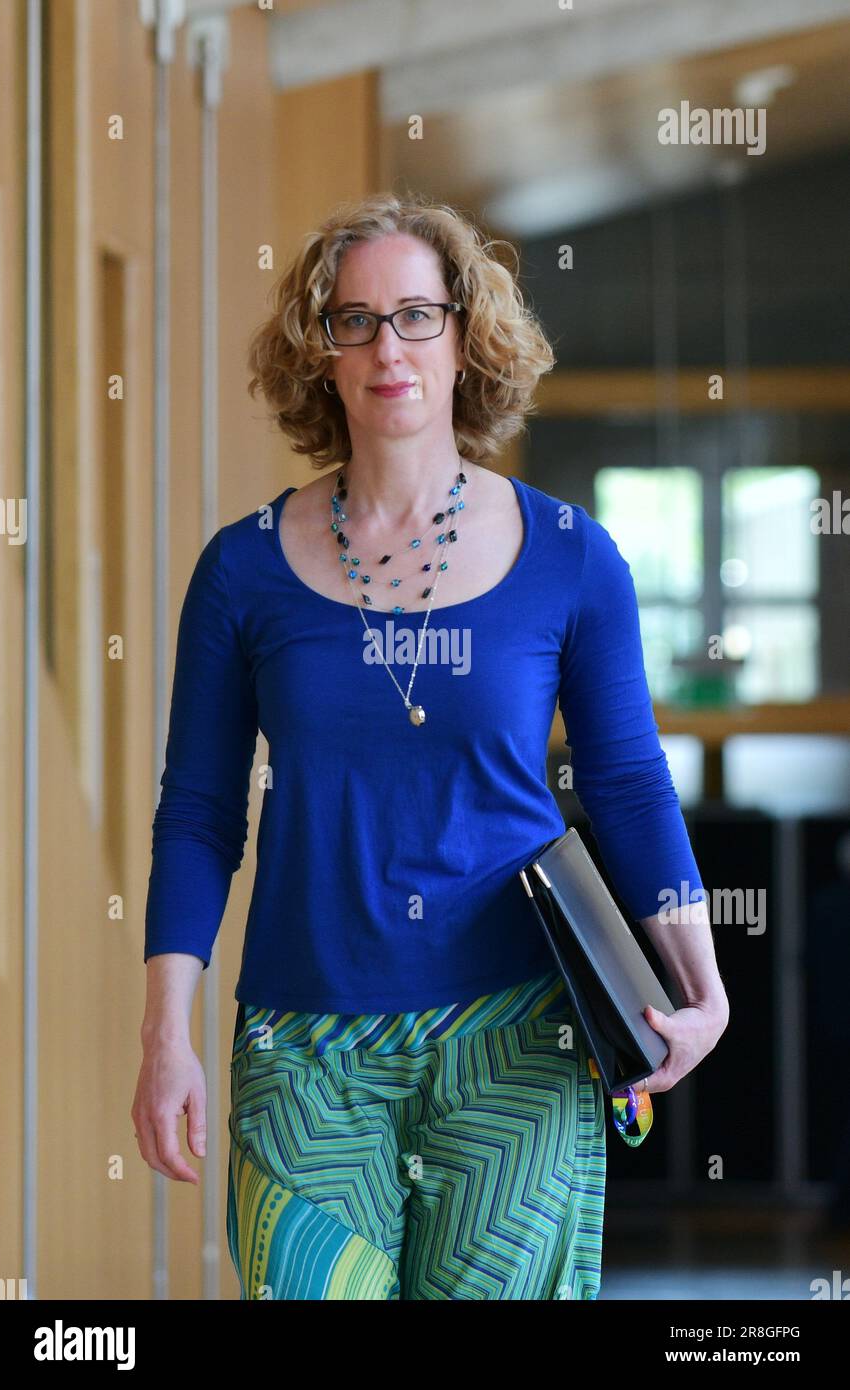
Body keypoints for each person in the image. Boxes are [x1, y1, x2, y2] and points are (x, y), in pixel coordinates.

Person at [132, 190, 730, 1300]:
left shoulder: (569, 555)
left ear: (465, 337)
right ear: (320, 353)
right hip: (303, 1048)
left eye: (416, 314)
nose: (386, 346)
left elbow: (626, 779)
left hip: (517, 1037)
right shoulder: (242, 569)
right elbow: (200, 810)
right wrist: (165, 1030)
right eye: (352, 320)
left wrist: (699, 977)